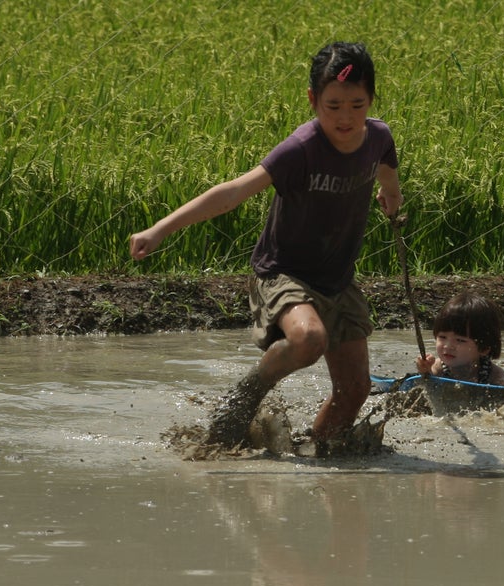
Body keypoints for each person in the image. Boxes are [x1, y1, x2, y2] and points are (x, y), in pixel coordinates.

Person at [130, 42, 403, 446]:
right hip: (283, 274)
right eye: (333, 106)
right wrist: (160, 229)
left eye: (357, 105)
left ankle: (324, 456)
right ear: (312, 100)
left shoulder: (378, 137)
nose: (346, 117)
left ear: (372, 100)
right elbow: (232, 193)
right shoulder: (302, 149)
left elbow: (388, 176)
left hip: (338, 279)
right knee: (308, 339)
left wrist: (393, 204)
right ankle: (249, 392)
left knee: (355, 390)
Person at [414, 291, 504, 387]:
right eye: (442, 337)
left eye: (460, 340)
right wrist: (424, 371)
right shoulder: (438, 368)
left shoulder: (493, 375)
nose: (448, 345)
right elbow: (428, 388)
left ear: (484, 348)